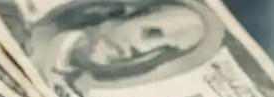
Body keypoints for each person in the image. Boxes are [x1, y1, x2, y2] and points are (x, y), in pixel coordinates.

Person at [29, 0, 225, 89]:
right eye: (151, 32)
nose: (143, 50)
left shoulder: (72, 87)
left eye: (167, 49)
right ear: (120, 14)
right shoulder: (27, 30)